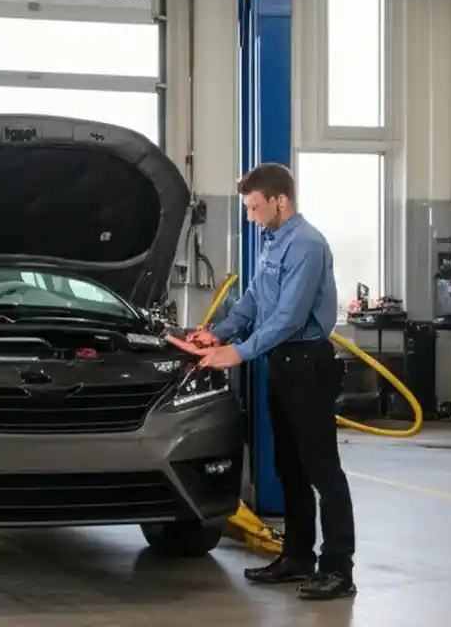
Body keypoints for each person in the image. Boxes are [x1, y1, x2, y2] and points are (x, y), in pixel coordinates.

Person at [191, 162, 355, 601]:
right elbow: (253, 300)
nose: (250, 216)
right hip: (281, 363)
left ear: (280, 201)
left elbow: (289, 316)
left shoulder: (306, 245)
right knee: (289, 466)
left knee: (322, 468)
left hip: (308, 364)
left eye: (254, 207)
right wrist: (219, 333)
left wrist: (237, 352)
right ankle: (298, 556)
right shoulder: (271, 241)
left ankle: (338, 567)